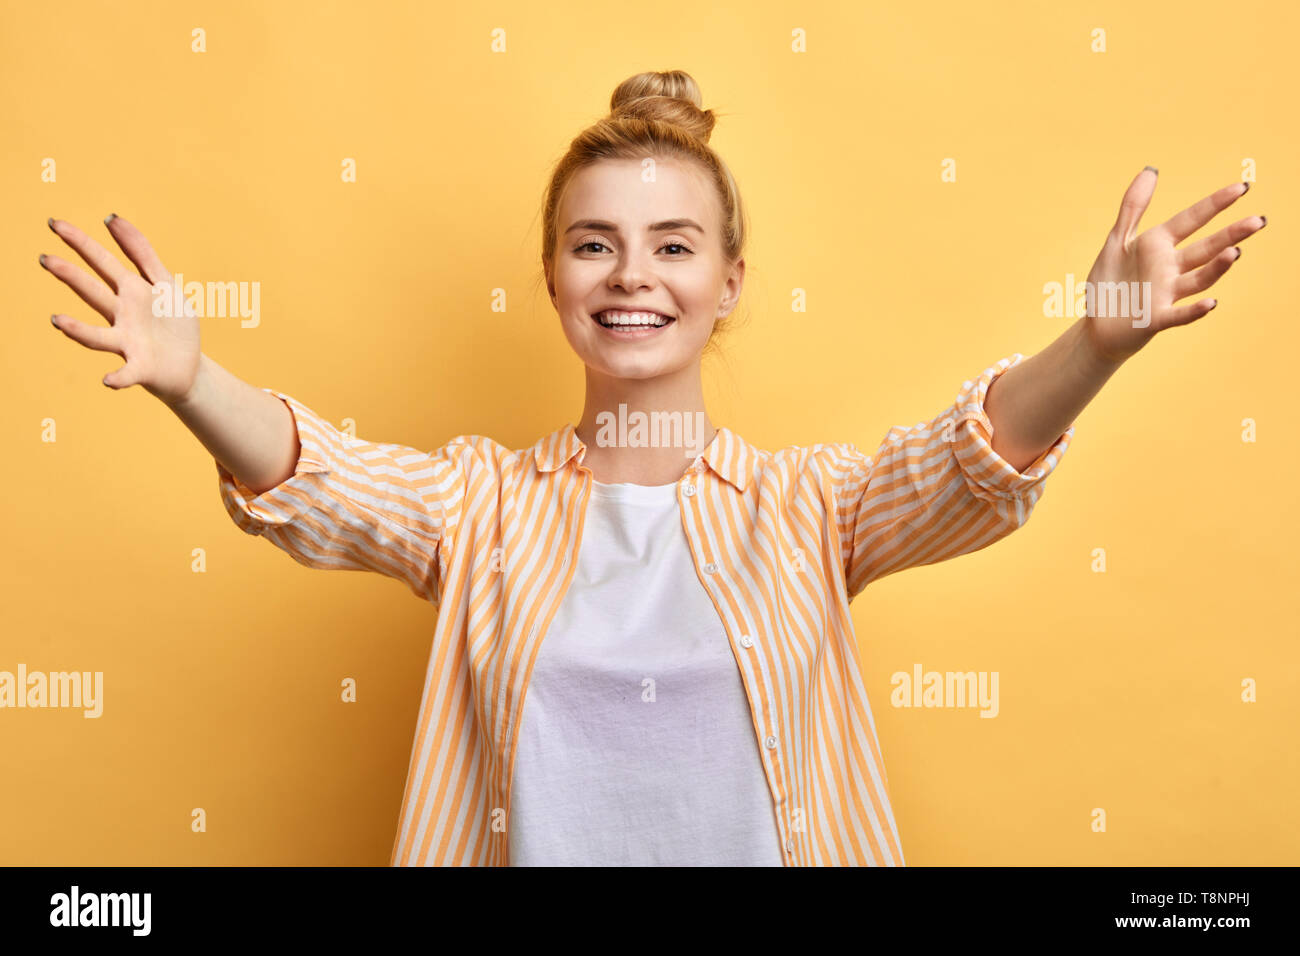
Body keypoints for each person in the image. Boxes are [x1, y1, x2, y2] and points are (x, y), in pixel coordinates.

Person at [40, 70, 1264, 866]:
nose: (633, 276)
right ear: (554, 276)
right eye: (594, 245)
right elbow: (323, 483)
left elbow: (969, 463)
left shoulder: (807, 507)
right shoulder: (477, 507)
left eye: (672, 245)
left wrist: (1095, 341)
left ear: (727, 279)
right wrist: (193, 380)